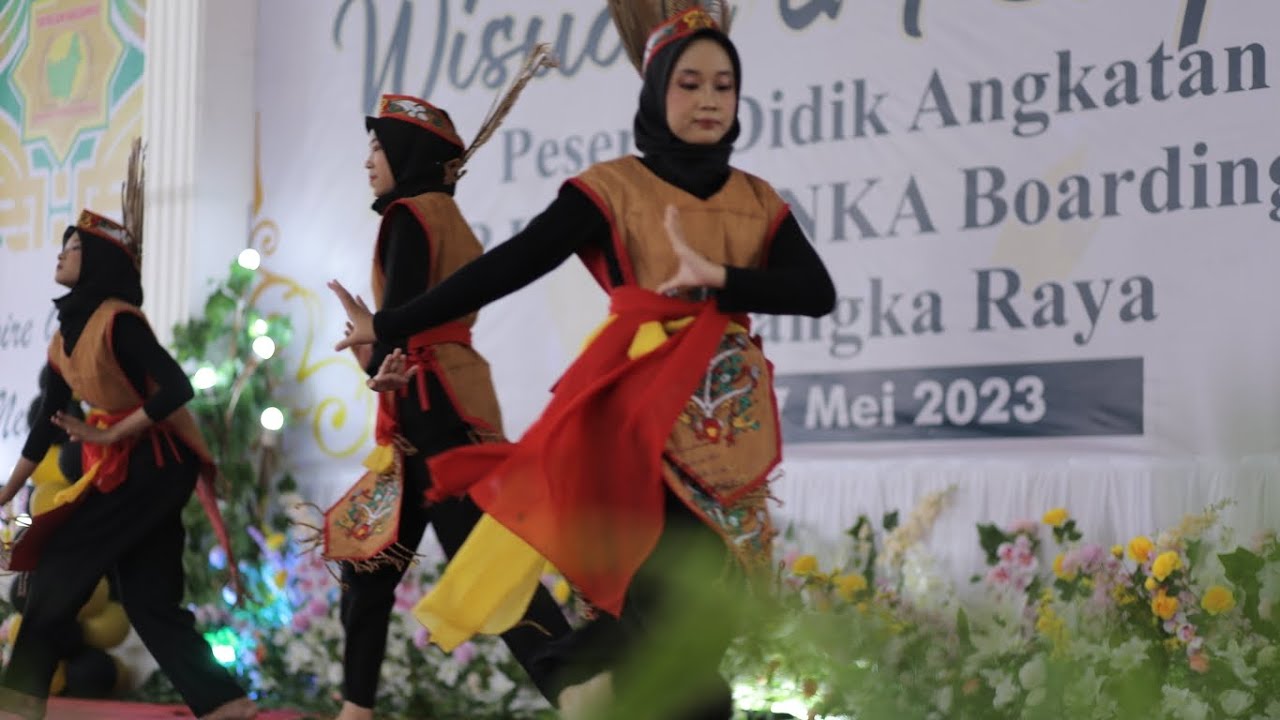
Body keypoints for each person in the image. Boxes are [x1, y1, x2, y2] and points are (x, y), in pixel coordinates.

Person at [330, 6, 835, 717]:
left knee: (714, 607)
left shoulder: (756, 199)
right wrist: (390, 325)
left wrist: (723, 280)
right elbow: (510, 266)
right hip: (639, 409)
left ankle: (592, 678)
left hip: (728, 421)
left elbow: (816, 292)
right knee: (663, 590)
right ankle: (581, 675)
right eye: (689, 83)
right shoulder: (616, 186)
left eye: (724, 85)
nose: (709, 100)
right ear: (657, 91)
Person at [324, 92, 571, 720]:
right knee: (370, 568)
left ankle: (586, 693)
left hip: (430, 406)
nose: (367, 161)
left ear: (407, 153)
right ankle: (356, 709)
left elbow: (406, 316)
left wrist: (380, 343)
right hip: (440, 396)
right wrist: (379, 345)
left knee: (491, 570)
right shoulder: (446, 216)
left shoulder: (409, 213)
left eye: (378, 146)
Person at [0, 142, 256, 720]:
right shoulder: (68, 332)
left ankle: (16, 705)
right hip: (132, 466)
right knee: (149, 599)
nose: (61, 254)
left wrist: (113, 436)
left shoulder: (119, 322)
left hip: (151, 463)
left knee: (58, 564)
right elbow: (47, 418)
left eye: (73, 246)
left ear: (97, 261)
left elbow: (176, 390)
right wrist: (11, 487)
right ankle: (226, 704)